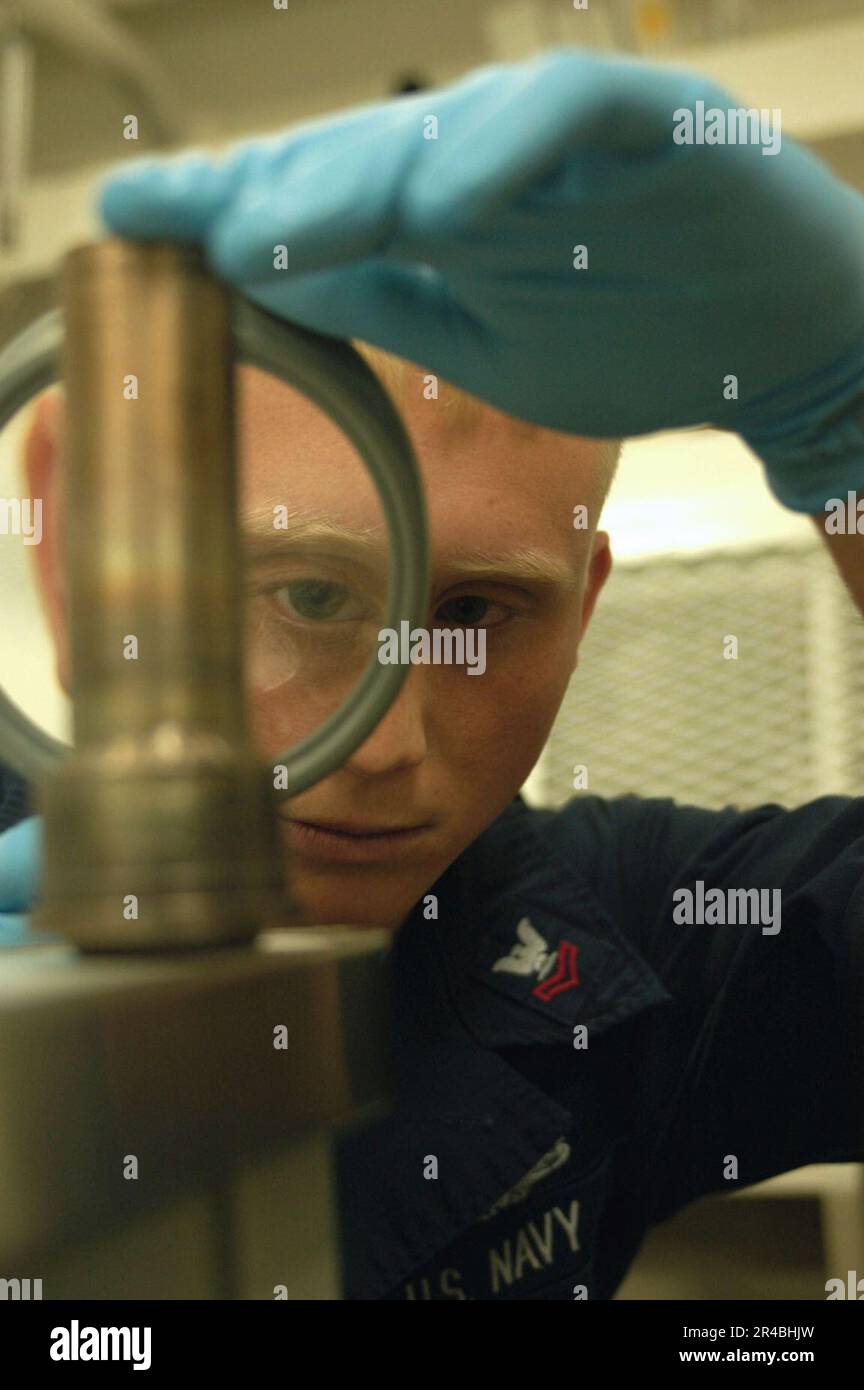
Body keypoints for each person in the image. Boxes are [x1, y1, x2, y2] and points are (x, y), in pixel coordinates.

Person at [1, 47, 863, 1301]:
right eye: (307, 594)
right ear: (79, 562)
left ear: (585, 610)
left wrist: (852, 416)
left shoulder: (633, 947)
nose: (387, 743)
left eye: (476, 610)